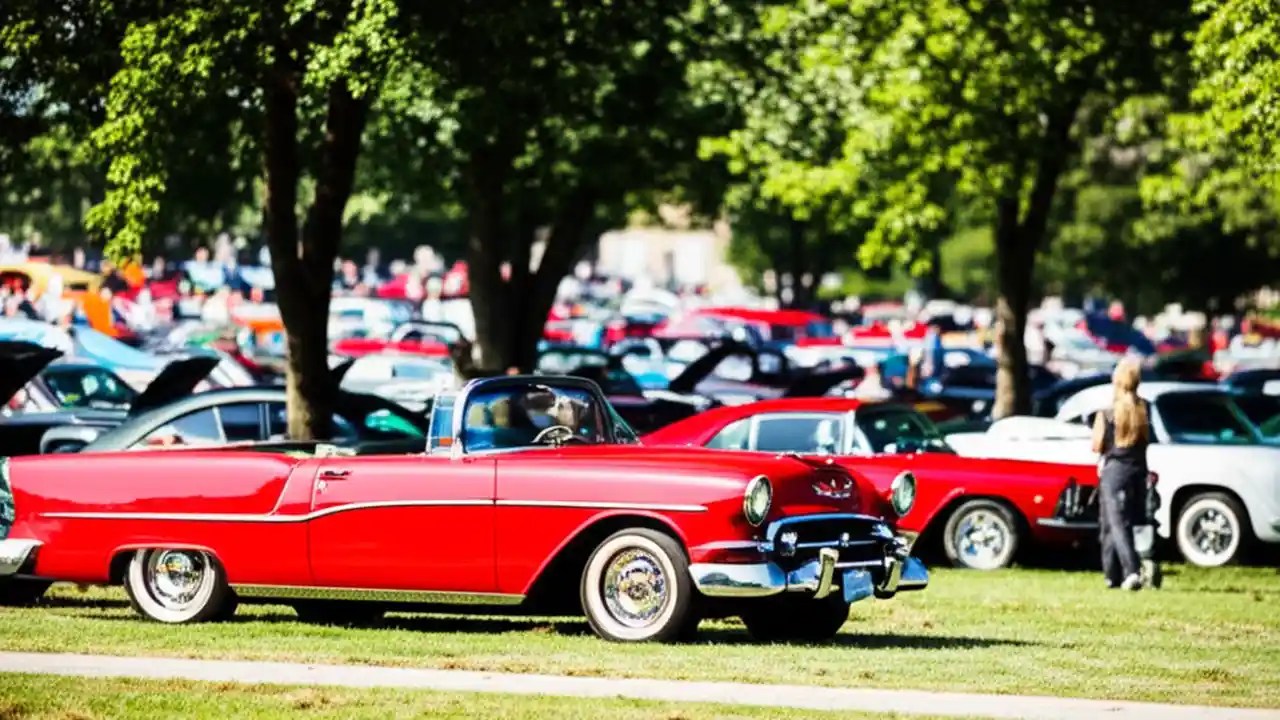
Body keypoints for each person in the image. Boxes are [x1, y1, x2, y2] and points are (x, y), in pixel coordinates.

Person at [1092, 358, 1148, 591]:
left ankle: (1131, 570)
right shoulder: (1143, 409)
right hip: (1137, 469)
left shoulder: (1107, 413)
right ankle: (1111, 574)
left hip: (1114, 471)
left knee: (1115, 523)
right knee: (1115, 522)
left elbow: (1097, 445)